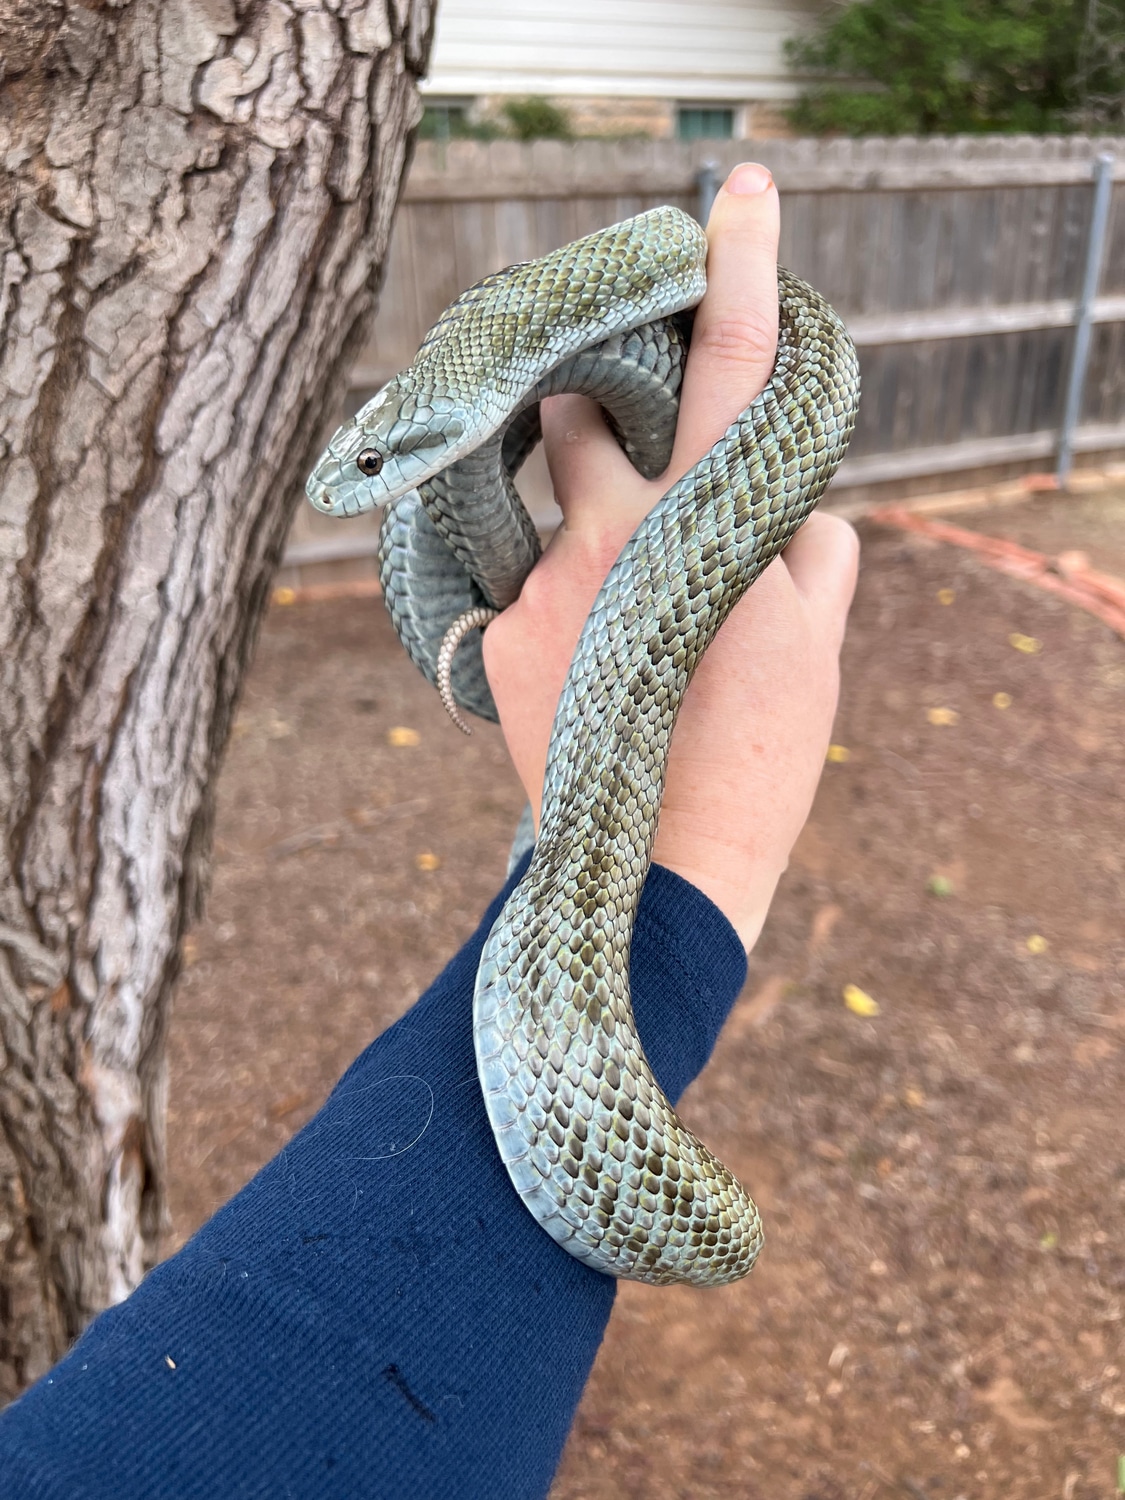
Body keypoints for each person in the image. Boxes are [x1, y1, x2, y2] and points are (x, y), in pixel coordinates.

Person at [0, 163, 859, 1498]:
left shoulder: (510, 359)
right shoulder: (473, 386)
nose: (359, 494)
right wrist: (691, 872)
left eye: (387, 458)